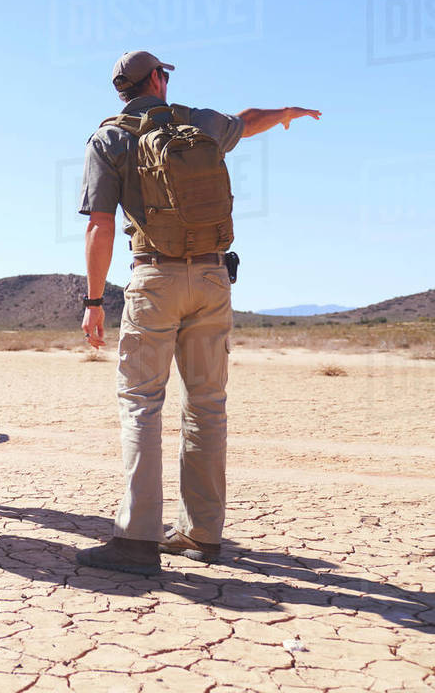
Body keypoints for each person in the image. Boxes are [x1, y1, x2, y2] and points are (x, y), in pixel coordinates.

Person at [76, 50, 321, 574]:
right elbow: (249, 120)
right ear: (159, 80)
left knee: (142, 404)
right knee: (207, 405)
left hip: (154, 277)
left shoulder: (108, 138)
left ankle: (137, 540)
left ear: (122, 89)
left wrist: (95, 300)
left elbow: (99, 224)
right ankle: (202, 533)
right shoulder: (200, 123)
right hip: (213, 277)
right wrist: (285, 114)